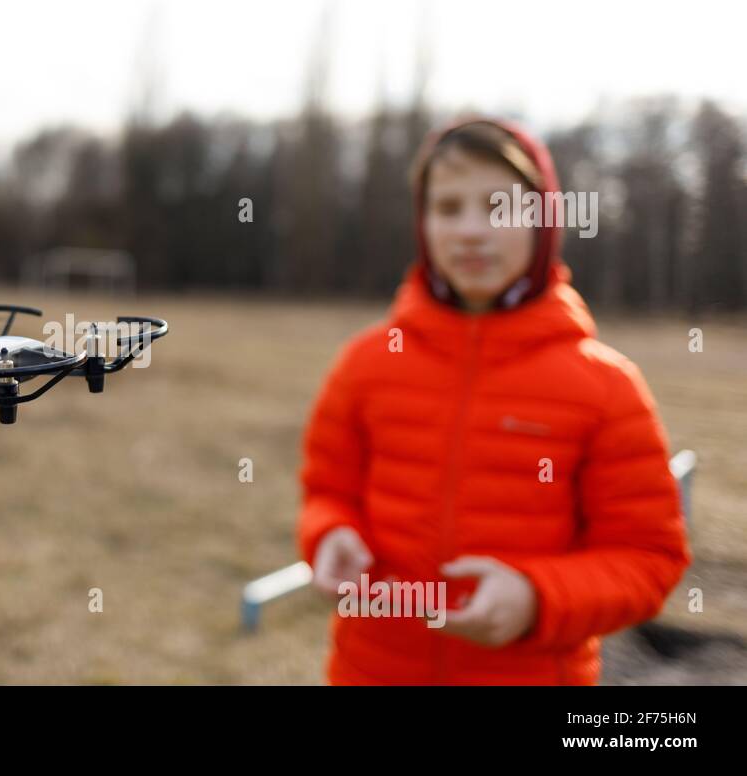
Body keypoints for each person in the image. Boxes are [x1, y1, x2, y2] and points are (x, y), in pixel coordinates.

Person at [295, 117, 691, 684]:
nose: (471, 231)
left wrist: (536, 598)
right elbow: (327, 492)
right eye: (448, 208)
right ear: (423, 222)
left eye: (500, 207)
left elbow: (649, 560)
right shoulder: (366, 364)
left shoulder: (608, 388)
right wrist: (329, 535)